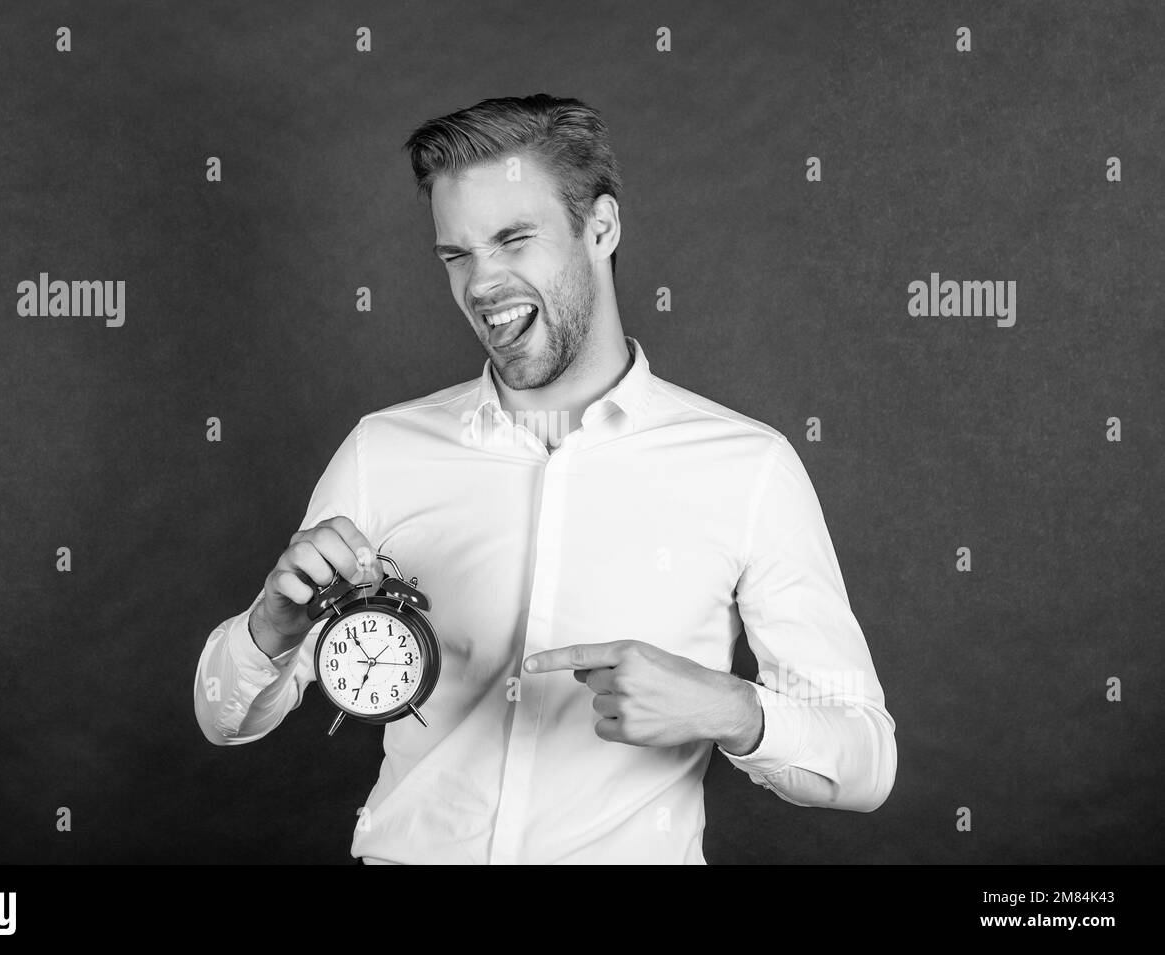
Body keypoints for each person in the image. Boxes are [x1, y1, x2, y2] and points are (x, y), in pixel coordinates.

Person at [193, 93, 896, 864]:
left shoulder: (749, 466)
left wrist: (733, 708)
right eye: (456, 255)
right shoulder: (381, 450)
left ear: (601, 227)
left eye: (513, 239)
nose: (482, 285)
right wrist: (270, 627)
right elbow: (225, 719)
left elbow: (866, 760)